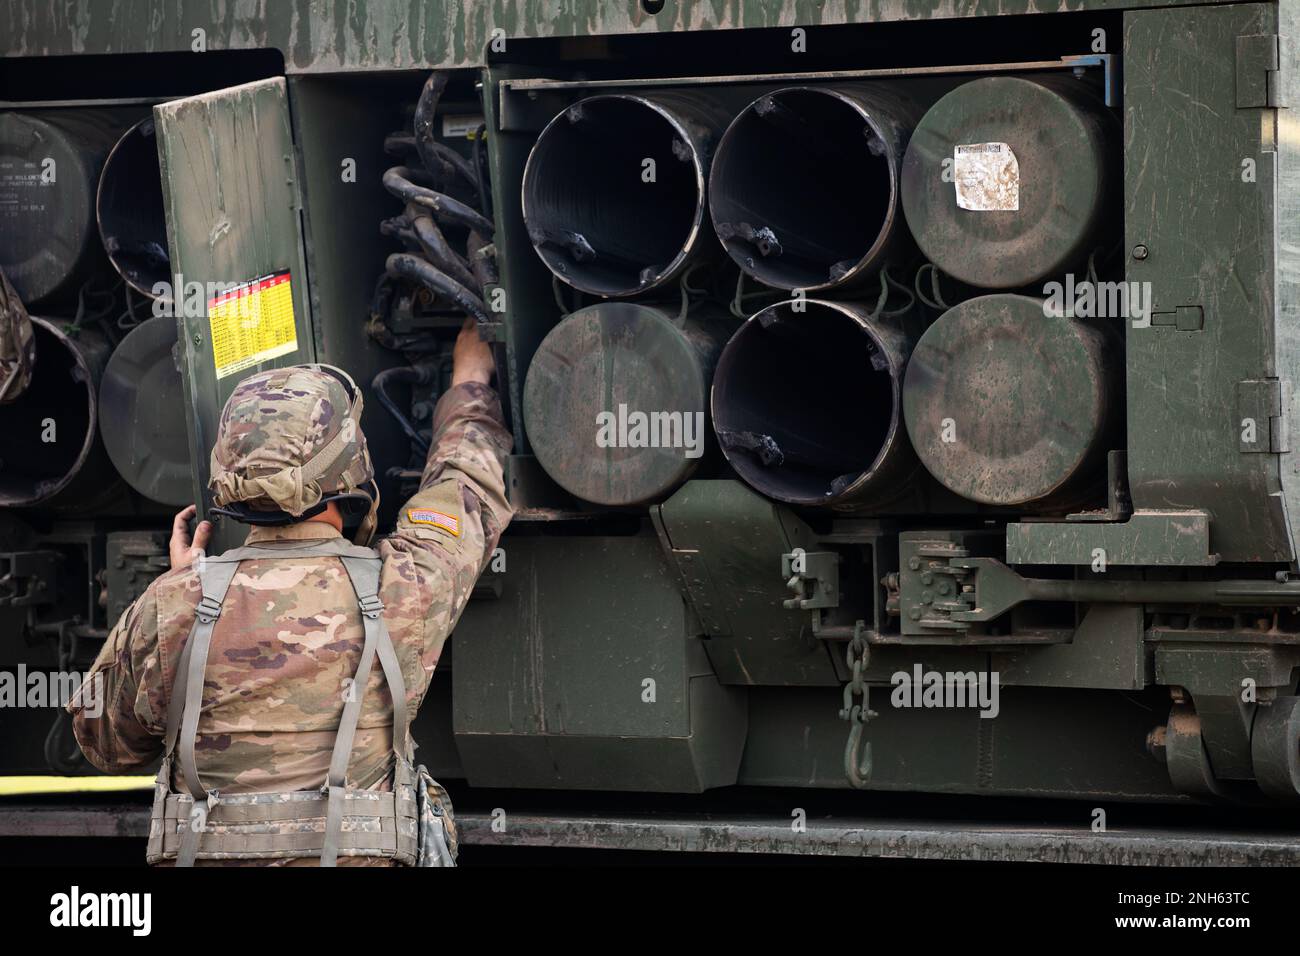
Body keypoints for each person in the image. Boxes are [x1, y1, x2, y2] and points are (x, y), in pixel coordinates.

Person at [68, 318, 512, 865]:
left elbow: (104, 744)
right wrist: (470, 377)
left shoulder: (175, 605)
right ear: (348, 466)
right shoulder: (404, 588)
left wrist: (178, 585)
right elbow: (468, 481)